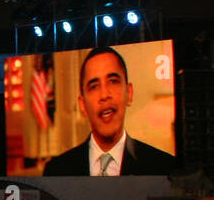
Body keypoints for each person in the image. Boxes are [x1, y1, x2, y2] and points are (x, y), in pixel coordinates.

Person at [42, 47, 178, 176]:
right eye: (94, 86)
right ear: (82, 105)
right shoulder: (56, 171)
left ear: (129, 93)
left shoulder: (164, 168)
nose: (104, 94)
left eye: (113, 81)